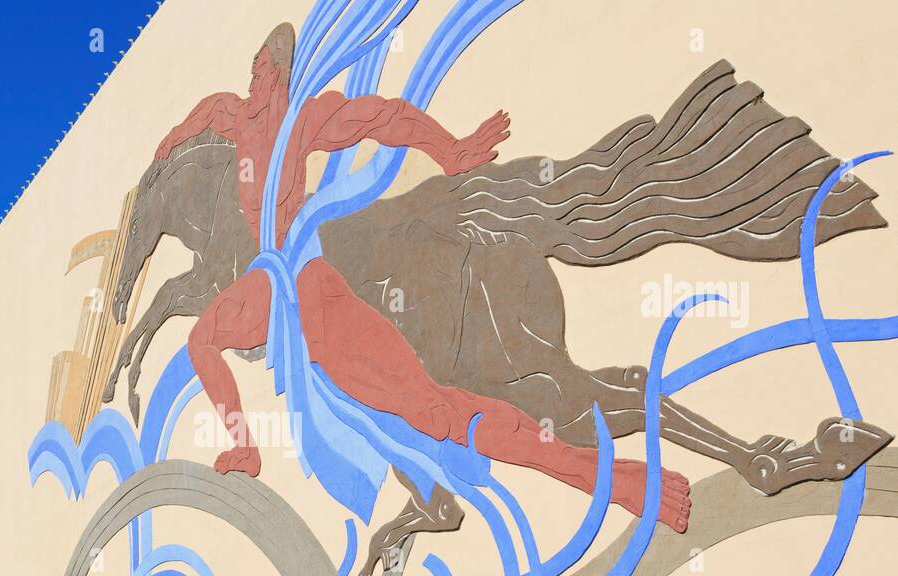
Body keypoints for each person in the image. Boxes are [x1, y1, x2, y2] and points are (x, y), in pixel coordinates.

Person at [155, 23, 691, 532]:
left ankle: (613, 480)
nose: (256, 78)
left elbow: (380, 117)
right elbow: (201, 116)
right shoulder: (235, 114)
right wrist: (169, 142)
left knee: (434, 409)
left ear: (279, 74)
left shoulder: (300, 121)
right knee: (203, 339)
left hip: (303, 280)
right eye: (253, 68)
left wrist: (449, 149)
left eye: (264, 69)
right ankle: (244, 446)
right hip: (269, 282)